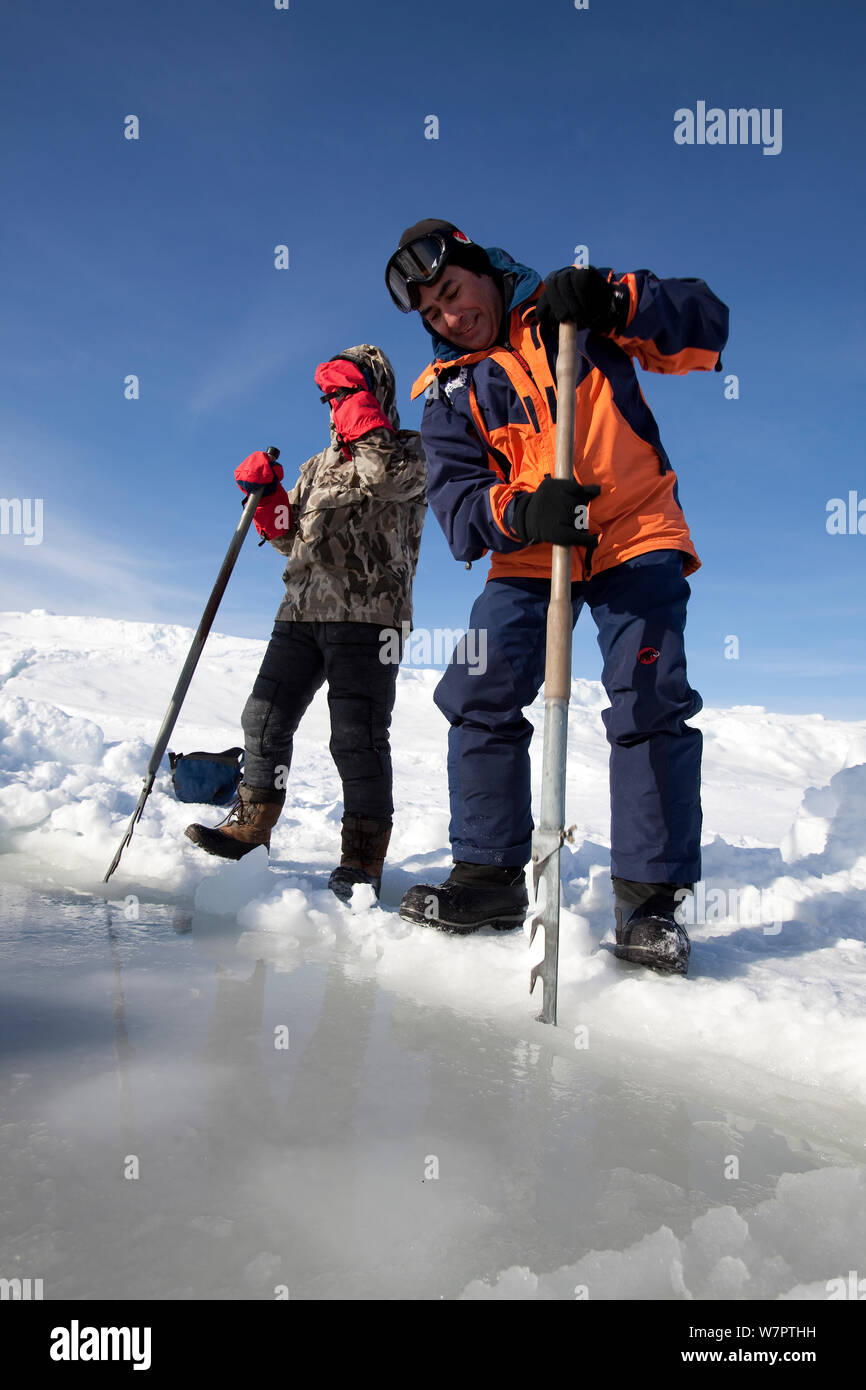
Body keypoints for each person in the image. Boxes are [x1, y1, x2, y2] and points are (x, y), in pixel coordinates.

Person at [384, 220, 729, 973]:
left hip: (635, 532)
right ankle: (489, 877)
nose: (449, 315)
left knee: (647, 694)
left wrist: (616, 302)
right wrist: (524, 512)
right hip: (533, 548)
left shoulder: (567, 310)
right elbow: (459, 510)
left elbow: (708, 326)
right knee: (478, 688)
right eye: (432, 313)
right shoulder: (446, 393)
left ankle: (649, 906)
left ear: (479, 268)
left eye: (451, 292)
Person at [185, 345, 427, 902]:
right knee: (263, 719)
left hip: (371, 620)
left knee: (356, 740)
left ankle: (362, 859)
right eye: (331, 397)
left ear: (374, 393)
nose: (333, 406)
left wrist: (364, 419)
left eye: (344, 393)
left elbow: (386, 481)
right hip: (300, 613)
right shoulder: (318, 465)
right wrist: (269, 499)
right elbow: (288, 538)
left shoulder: (410, 450)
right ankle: (251, 828)